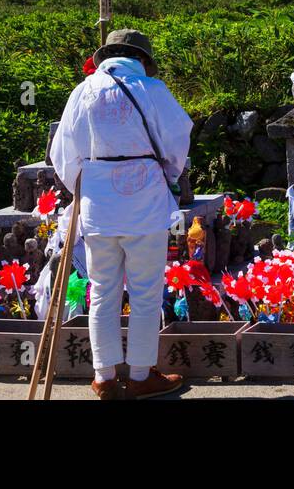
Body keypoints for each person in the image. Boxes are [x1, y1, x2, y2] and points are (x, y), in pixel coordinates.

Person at [50, 29, 191, 400]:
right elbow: (178, 143)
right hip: (145, 202)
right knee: (146, 293)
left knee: (102, 292)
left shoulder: (84, 91)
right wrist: (168, 177)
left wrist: (87, 181)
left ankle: (104, 377)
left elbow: (63, 153)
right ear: (142, 59)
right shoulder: (154, 90)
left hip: (98, 205)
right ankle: (142, 375)